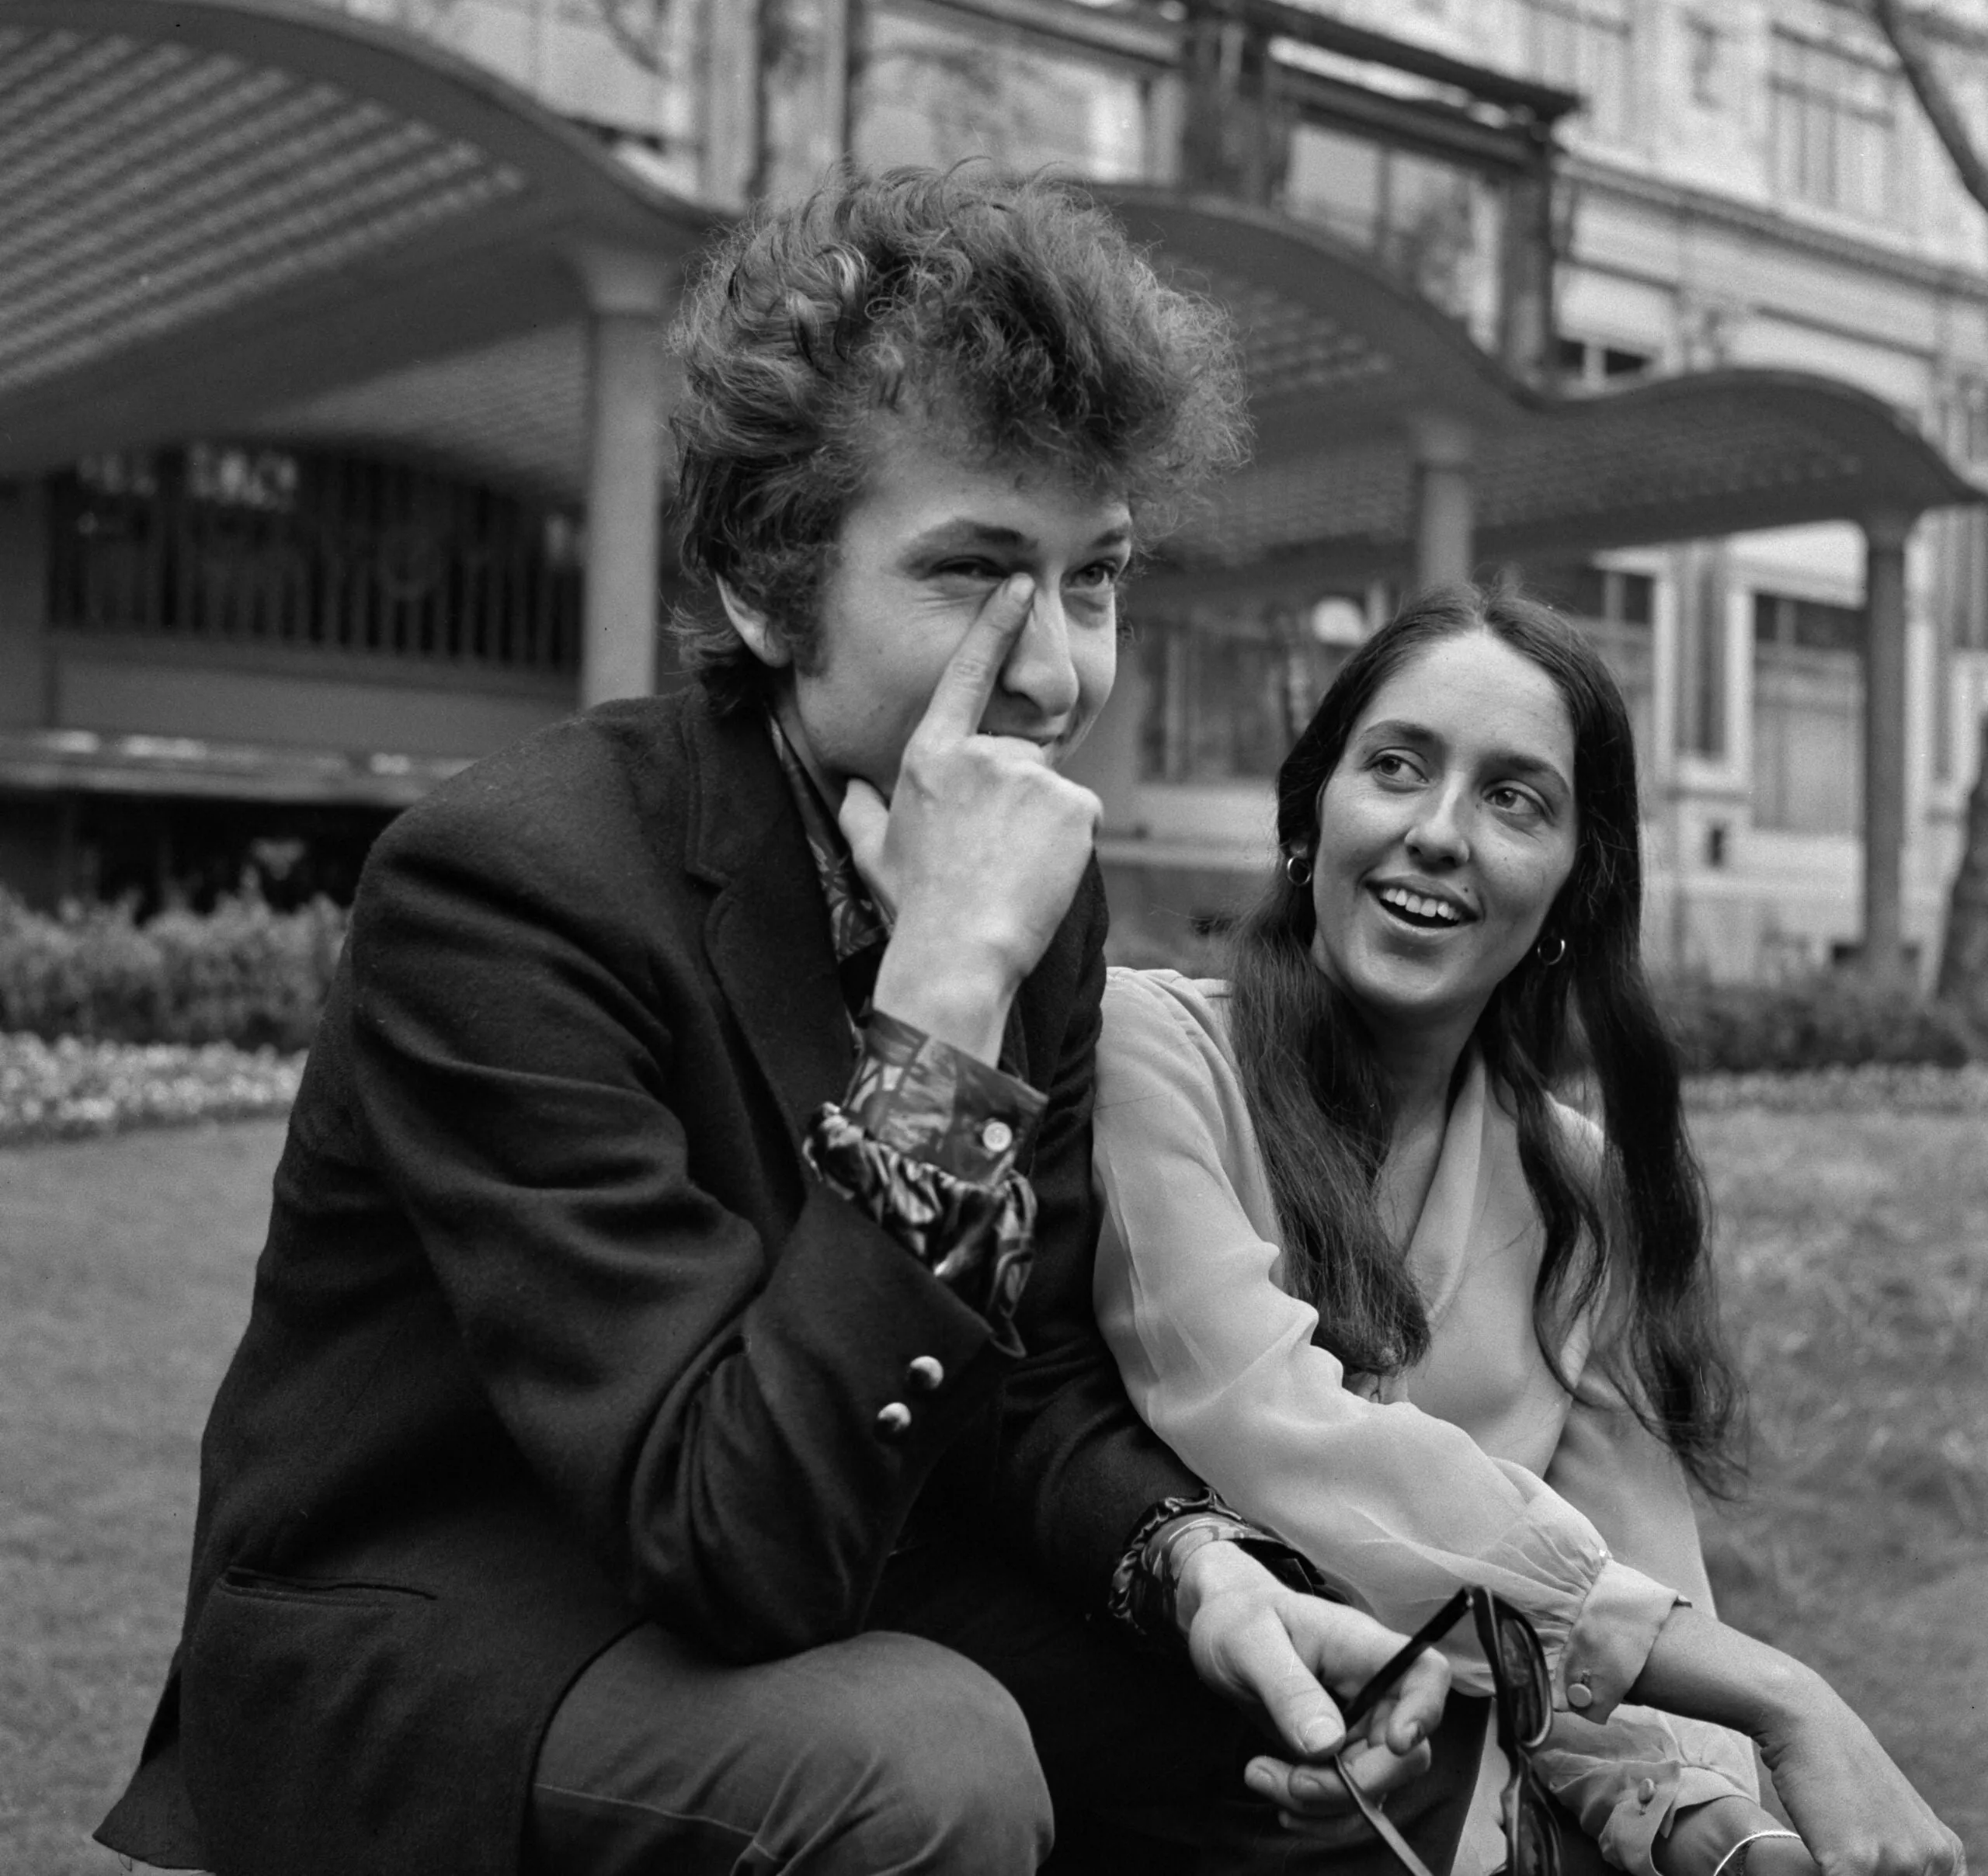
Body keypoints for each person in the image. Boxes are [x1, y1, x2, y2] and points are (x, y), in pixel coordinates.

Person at [95, 169, 1462, 1876]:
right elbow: (722, 1537)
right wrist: (942, 1000)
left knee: (1347, 1728)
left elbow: (1023, 1376)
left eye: (1095, 578)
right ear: (766, 585)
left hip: (832, 1542)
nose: (1055, 674)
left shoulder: (1026, 886)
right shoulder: (507, 887)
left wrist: (1192, 1567)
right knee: (923, 1766)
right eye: (974, 575)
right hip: (454, 1619)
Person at [1090, 585, 1967, 1876]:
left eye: (1514, 799)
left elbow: (1637, 1591)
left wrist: (1732, 1831)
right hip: (1149, 1789)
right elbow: (1268, 1425)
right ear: (1312, 815)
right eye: (1397, 766)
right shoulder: (1149, 1051)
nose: (1438, 833)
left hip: (1450, 1828)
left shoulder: (1578, 1186)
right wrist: (1784, 1693)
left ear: (1571, 887)